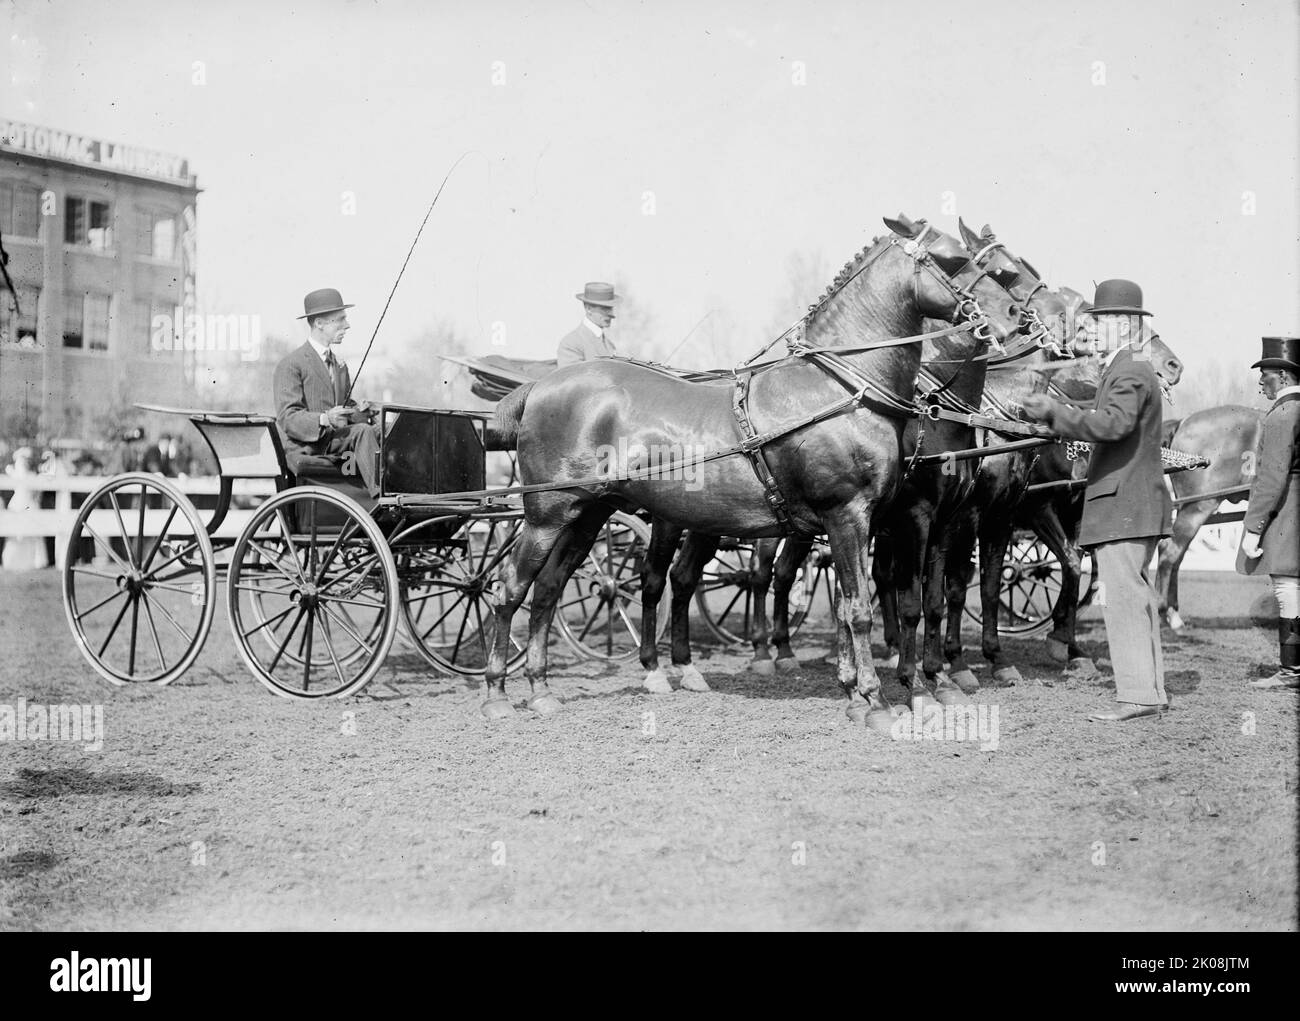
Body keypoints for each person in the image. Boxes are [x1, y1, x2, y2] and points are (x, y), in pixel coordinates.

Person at [1022, 279, 1171, 722]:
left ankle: (1138, 696)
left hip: (1124, 505)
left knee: (1123, 599)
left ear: (1125, 326)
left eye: (1101, 322)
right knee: (1136, 598)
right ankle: (1151, 691)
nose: (1092, 329)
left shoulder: (1129, 371)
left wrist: (1055, 413)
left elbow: (1112, 426)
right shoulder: (1130, 368)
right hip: (1134, 505)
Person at [1236, 336, 1300, 689]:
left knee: (1287, 586)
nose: (1261, 381)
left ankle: (1291, 671)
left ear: (1285, 378)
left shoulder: (1283, 414)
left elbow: (1272, 477)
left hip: (1288, 507)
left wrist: (1253, 528)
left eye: (1267, 374)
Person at [273, 288, 379, 496]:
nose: (347, 325)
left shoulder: (340, 366)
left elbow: (345, 410)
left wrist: (364, 412)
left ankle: (408, 492)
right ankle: (383, 496)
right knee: (363, 432)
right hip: (310, 446)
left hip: (337, 441)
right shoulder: (291, 365)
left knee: (385, 431)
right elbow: (288, 417)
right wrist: (324, 419)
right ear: (319, 323)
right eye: (340, 320)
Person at [556, 282, 619, 365]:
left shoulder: (610, 346)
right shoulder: (571, 343)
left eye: (611, 308)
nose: (611, 314)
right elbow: (571, 377)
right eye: (604, 308)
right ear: (588, 309)